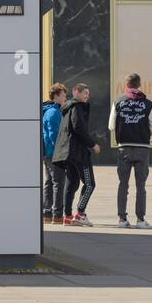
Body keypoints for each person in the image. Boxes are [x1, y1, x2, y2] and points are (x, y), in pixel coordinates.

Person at [110, 72, 152, 229]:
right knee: (141, 185)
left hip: (123, 148)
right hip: (142, 148)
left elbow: (111, 126)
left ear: (127, 85)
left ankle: (122, 219)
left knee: (123, 184)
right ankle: (140, 220)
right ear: (139, 85)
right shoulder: (148, 104)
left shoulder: (118, 102)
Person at [53, 83, 100, 225]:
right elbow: (79, 127)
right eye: (84, 93)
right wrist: (93, 144)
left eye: (88, 93)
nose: (87, 96)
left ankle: (67, 216)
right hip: (78, 153)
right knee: (90, 184)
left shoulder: (66, 108)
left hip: (68, 153)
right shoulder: (77, 107)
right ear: (76, 92)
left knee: (72, 183)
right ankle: (80, 213)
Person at [42, 84, 66, 223]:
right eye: (63, 95)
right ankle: (57, 214)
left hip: (49, 153)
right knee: (58, 183)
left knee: (50, 183)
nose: (65, 98)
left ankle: (47, 213)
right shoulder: (54, 112)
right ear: (56, 96)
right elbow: (53, 135)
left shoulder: (51, 111)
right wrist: (61, 151)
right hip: (54, 153)